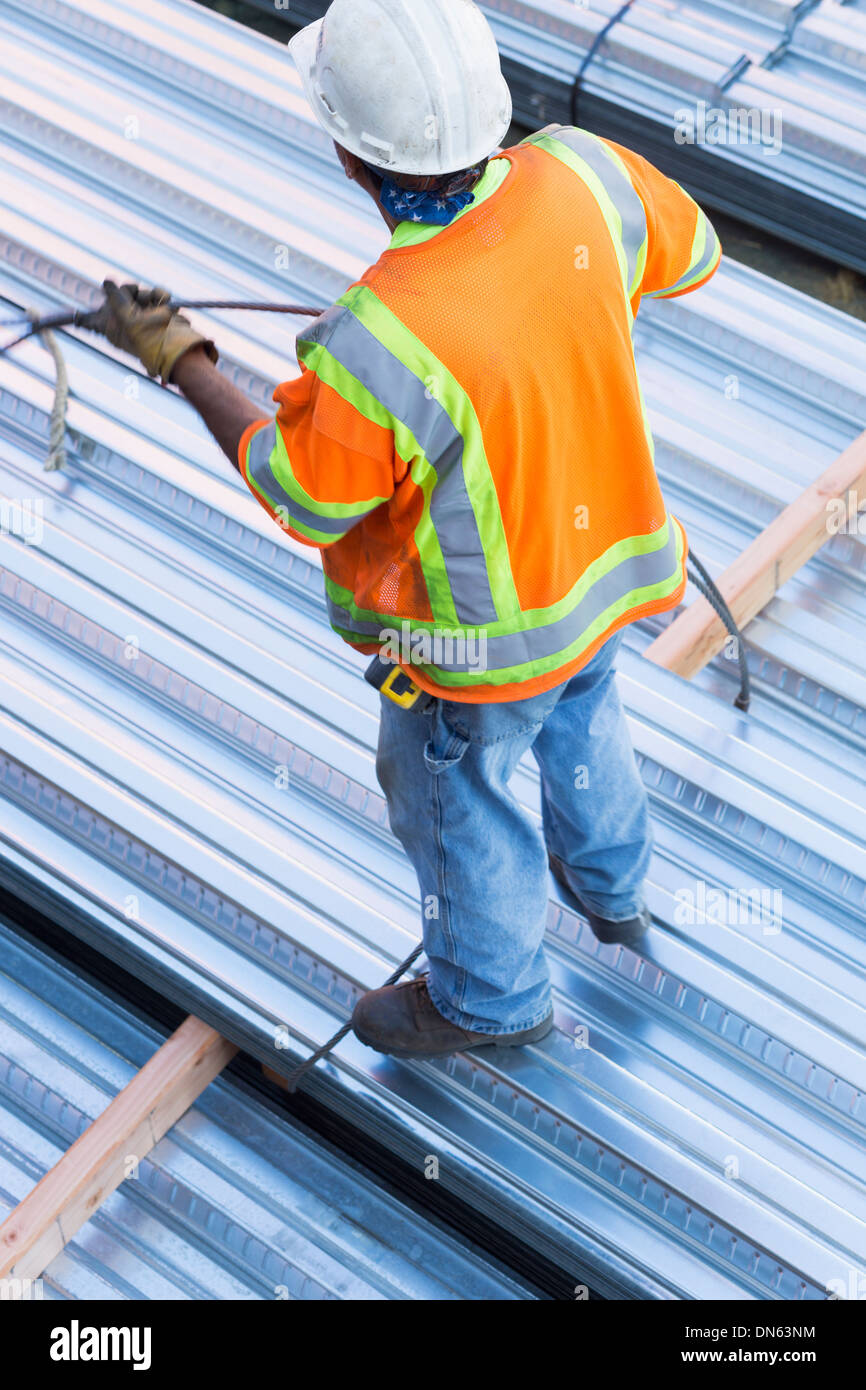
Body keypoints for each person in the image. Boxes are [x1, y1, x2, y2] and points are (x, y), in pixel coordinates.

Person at [87, 0, 721, 1060]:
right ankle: (612, 895)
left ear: (347, 154)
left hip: (475, 652)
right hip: (604, 577)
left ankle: (487, 997)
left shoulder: (376, 338)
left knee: (451, 791)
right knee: (583, 715)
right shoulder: (586, 173)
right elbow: (689, 252)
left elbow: (298, 492)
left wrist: (183, 360)